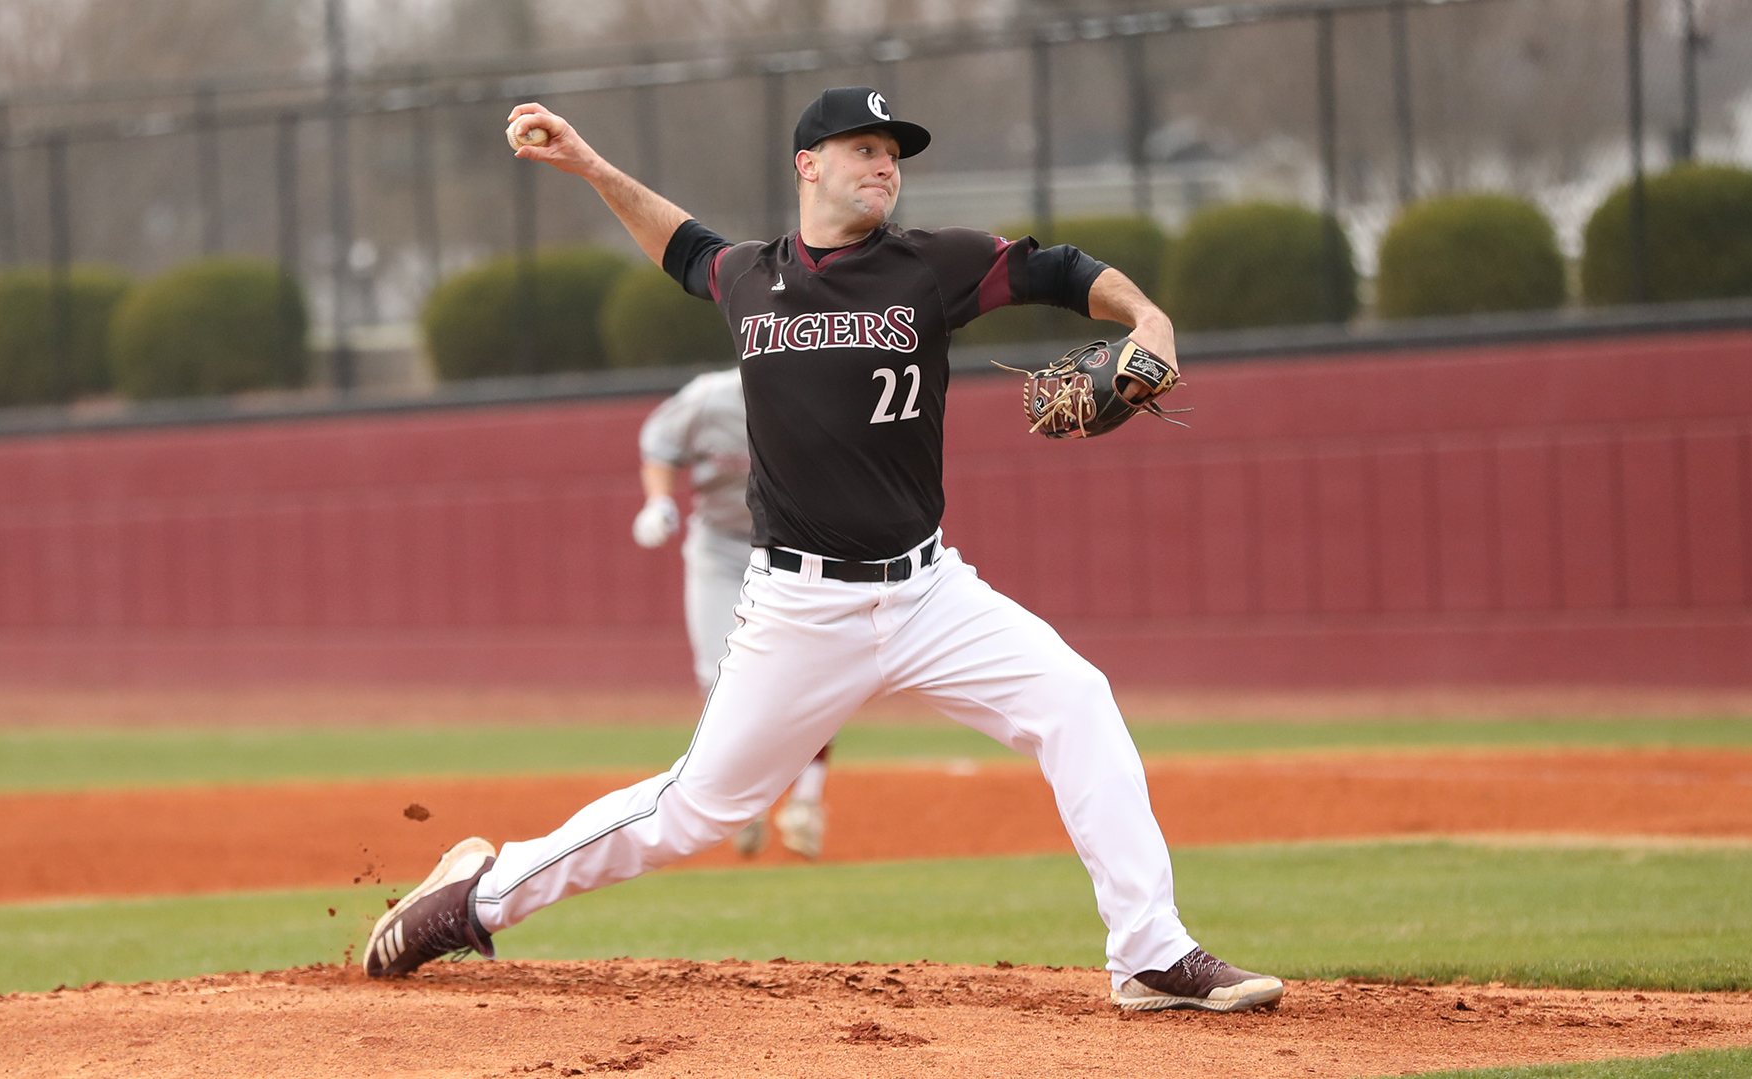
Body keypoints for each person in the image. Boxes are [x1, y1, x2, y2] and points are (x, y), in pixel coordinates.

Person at [364, 86, 1284, 1013]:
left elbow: (1059, 270)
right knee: (694, 810)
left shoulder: (932, 266)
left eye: (894, 152)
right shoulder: (749, 276)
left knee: (1076, 701)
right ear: (808, 166)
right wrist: (591, 166)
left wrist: (1149, 320)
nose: (885, 165)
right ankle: (476, 895)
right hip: (800, 608)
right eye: (863, 148)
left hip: (929, 594)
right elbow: (681, 246)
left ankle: (1150, 952)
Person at [633, 368, 831, 859]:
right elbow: (659, 444)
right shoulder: (710, 398)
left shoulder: (819, 392)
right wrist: (659, 501)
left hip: (796, 547)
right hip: (719, 548)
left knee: (813, 673)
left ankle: (807, 803)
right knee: (717, 676)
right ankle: (744, 802)